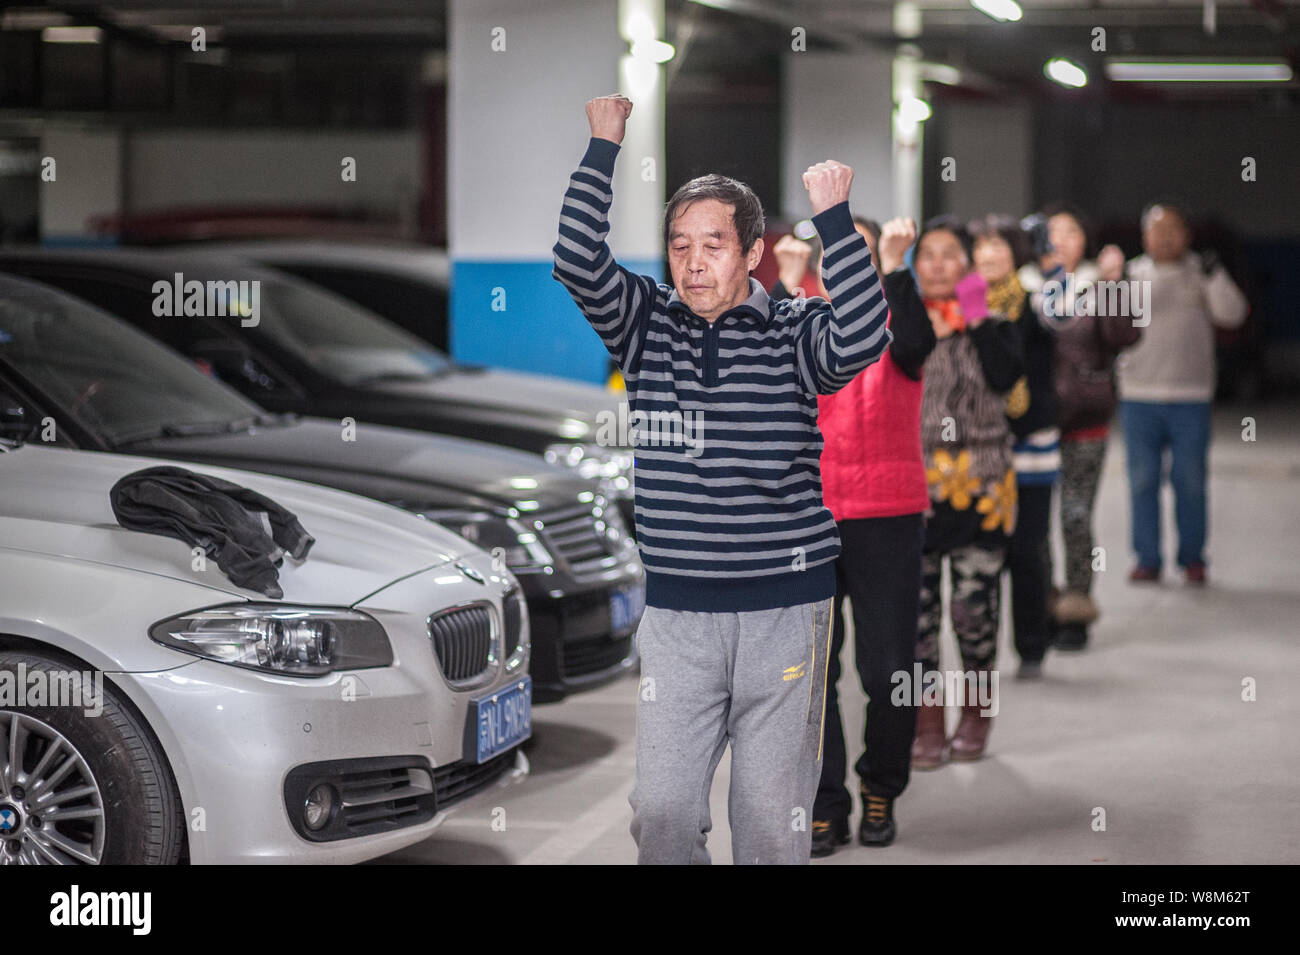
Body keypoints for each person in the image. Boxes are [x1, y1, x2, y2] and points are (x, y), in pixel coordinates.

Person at [552, 94, 891, 864]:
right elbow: (576, 258)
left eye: (713, 244)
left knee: (770, 827)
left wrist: (835, 220)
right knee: (664, 814)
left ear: (751, 253)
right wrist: (604, 143)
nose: (693, 262)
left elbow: (866, 334)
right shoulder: (646, 326)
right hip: (678, 616)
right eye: (678, 246)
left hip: (785, 603)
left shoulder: (795, 331)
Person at [768, 216, 935, 854]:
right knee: (812, 673)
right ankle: (825, 801)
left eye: (859, 250)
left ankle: (881, 788)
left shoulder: (895, 318)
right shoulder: (800, 313)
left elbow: (919, 342)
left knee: (888, 667)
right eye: (834, 249)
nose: (845, 260)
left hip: (888, 515)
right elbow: (765, 360)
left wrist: (897, 270)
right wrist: (784, 284)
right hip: (807, 516)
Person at [910, 217, 1023, 768]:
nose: (935, 263)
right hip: (913, 488)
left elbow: (1005, 378)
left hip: (982, 487)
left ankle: (976, 715)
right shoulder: (901, 324)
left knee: (973, 612)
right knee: (918, 617)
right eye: (926, 254)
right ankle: (926, 720)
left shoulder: (995, 323)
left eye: (948, 254)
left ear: (968, 265)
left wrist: (975, 316)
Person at [1019, 204, 1140, 650]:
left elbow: (1125, 335)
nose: (1061, 241)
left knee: (1074, 517)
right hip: (1033, 425)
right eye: (1052, 232)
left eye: (1071, 232)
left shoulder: (1096, 284)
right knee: (1032, 525)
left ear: (1084, 240)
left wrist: (1116, 284)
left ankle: (1076, 609)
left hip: (1083, 421)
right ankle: (1042, 604)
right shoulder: (1024, 286)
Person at [1112, 202, 1248, 586]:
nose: (1166, 237)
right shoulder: (1131, 275)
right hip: (1139, 395)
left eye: (1173, 229)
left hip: (1191, 395)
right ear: (1145, 237)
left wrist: (1215, 276)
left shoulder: (1201, 273)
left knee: (1189, 480)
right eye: (1158, 230)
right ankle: (1147, 559)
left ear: (1186, 235)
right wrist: (1111, 281)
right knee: (1142, 480)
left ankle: (1192, 558)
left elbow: (1233, 313)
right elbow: (1107, 323)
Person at [969, 213, 1058, 680]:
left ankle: (1032, 645)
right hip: (978, 445)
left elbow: (1061, 314)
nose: (990, 254)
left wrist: (1052, 263)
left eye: (1000, 246)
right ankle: (981, 653)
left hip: (1031, 443)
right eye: (982, 246)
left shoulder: (1035, 298)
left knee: (1027, 548)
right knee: (984, 552)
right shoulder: (962, 299)